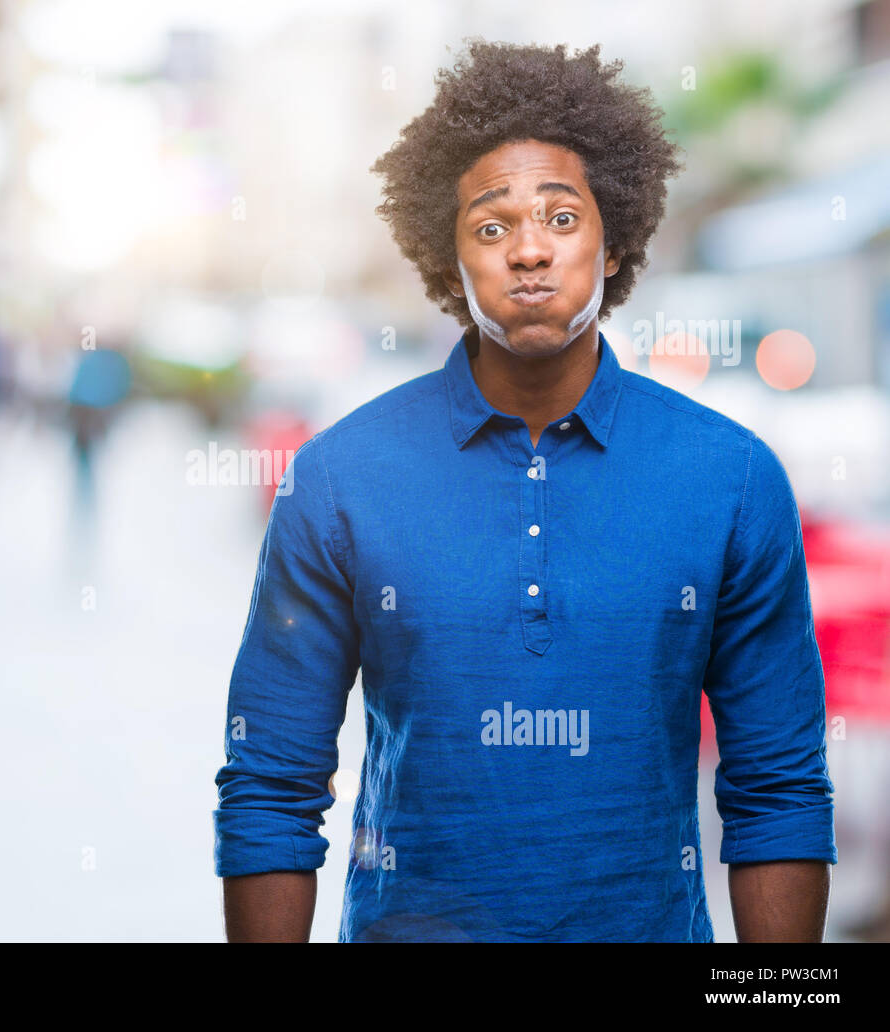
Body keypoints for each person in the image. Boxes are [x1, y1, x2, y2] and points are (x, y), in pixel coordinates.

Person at [213, 39, 836, 942]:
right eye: (492, 227)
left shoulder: (730, 478)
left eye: (561, 217)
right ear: (449, 260)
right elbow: (270, 778)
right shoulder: (340, 479)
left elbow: (776, 784)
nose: (530, 252)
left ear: (614, 241)